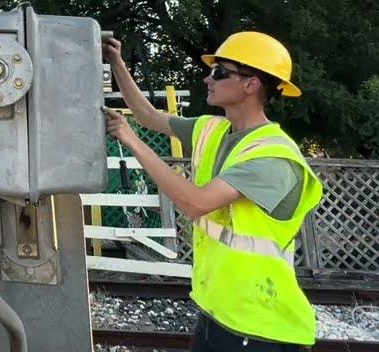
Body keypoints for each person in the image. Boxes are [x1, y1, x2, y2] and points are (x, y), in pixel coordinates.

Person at [103, 32, 323, 352]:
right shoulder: (213, 130)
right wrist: (117, 63)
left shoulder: (273, 157)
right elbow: (147, 116)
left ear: (251, 84)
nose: (209, 78)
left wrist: (131, 141)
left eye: (220, 72)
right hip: (218, 311)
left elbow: (196, 202)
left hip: (259, 325)